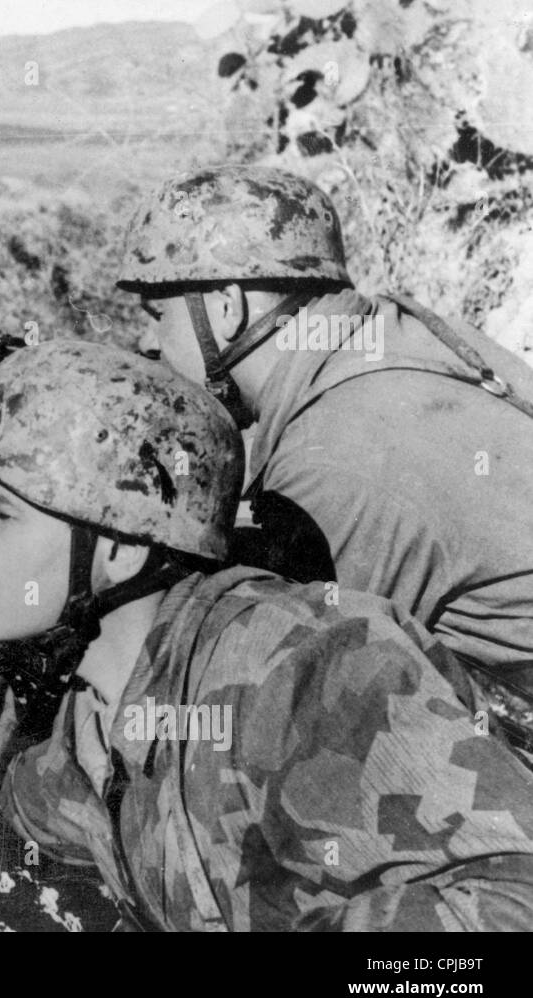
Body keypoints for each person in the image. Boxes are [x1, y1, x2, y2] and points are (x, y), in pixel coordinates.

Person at [0, 338, 533, 931]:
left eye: (1, 512)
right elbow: (7, 785)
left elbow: (513, 904)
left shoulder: (296, 661)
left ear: (122, 550)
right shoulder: (99, 716)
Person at [116, 164, 533, 708]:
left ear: (225, 308)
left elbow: (290, 691)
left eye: (158, 315)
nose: (151, 343)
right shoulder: (389, 339)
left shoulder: (335, 457)